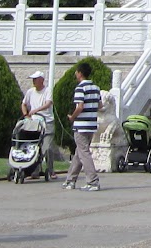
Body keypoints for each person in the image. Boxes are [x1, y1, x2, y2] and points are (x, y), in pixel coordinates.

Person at [65, 60, 102, 191]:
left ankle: (93, 181)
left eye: (76, 71)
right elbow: (100, 106)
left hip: (81, 125)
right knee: (79, 153)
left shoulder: (80, 88)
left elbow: (80, 106)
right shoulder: (96, 88)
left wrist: (72, 117)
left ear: (80, 73)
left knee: (84, 153)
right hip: (91, 125)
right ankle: (70, 180)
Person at [20, 70, 56, 180]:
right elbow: (24, 104)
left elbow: (48, 103)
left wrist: (35, 110)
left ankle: (51, 170)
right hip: (34, 124)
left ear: (41, 80)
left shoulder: (47, 91)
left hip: (47, 122)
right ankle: (34, 170)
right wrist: (26, 114)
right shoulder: (30, 92)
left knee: (47, 148)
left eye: (35, 79)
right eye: (33, 79)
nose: (33, 81)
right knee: (33, 147)